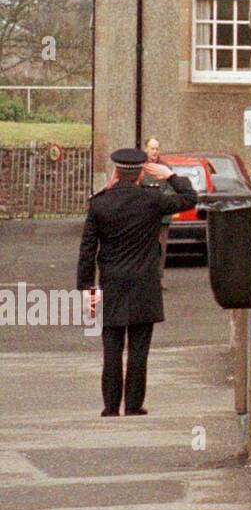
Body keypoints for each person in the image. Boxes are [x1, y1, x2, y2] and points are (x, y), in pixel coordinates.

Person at [77, 148, 197, 417]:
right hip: (144, 283)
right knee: (139, 350)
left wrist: (86, 289)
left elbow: (87, 250)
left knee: (111, 349)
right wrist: (171, 175)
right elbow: (190, 198)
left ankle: (110, 407)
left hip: (111, 284)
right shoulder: (153, 200)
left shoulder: (99, 203)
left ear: (116, 172)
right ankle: (133, 406)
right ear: (142, 172)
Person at [143, 136, 170, 289]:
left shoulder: (166, 167)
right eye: (152, 148)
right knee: (145, 248)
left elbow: (171, 188)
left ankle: (158, 279)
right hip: (145, 216)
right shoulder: (142, 168)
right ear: (146, 149)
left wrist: (162, 203)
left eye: (157, 148)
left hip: (162, 216)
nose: (155, 151)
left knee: (161, 248)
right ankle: (146, 279)